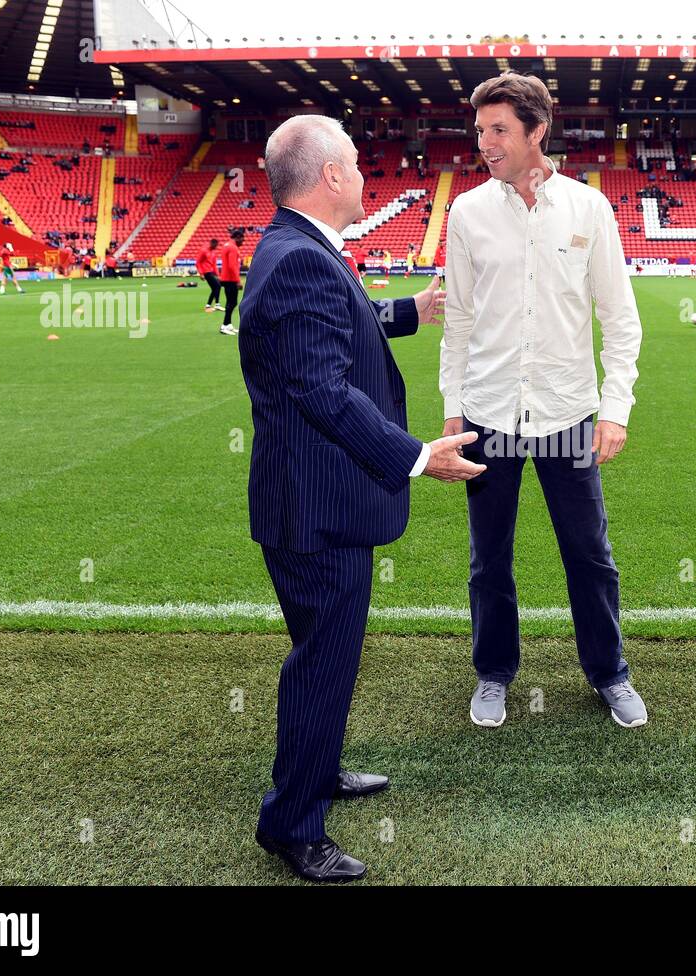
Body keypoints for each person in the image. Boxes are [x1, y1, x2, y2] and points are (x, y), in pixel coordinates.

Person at [238, 114, 484, 884]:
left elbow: (336, 330)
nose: (364, 174)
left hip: (309, 501)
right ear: (331, 177)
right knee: (322, 664)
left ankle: (316, 772)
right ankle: (291, 826)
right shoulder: (301, 259)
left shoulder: (296, 247)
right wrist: (414, 457)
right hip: (319, 509)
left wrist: (411, 310)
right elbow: (320, 386)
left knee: (327, 661)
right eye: (354, 161)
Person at [441, 72, 647, 730]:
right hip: (489, 414)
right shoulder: (467, 213)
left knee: (589, 553)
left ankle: (609, 672)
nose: (486, 143)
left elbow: (620, 319)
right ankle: (494, 673)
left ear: (537, 132)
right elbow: (460, 323)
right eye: (480, 131)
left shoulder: (590, 211)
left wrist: (615, 408)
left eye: (499, 130)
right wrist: (453, 405)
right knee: (488, 556)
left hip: (565, 416)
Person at [218, 230, 243, 334]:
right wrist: (238, 280)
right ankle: (224, 325)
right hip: (230, 279)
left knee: (231, 302)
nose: (242, 242)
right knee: (232, 302)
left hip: (226, 278)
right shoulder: (232, 247)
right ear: (237, 237)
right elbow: (232, 265)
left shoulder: (226, 245)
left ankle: (228, 324)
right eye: (242, 239)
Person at [196, 238, 222, 311]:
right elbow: (198, 262)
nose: (216, 247)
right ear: (211, 243)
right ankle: (217, 304)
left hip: (211, 272)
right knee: (217, 286)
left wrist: (218, 275)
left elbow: (214, 265)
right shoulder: (203, 251)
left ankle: (208, 305)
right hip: (206, 272)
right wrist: (201, 273)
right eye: (215, 245)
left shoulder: (214, 252)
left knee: (215, 288)